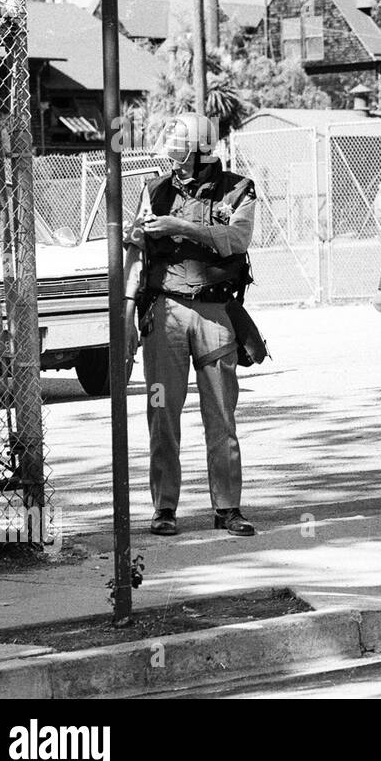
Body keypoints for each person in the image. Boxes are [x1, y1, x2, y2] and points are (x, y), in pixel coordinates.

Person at [123, 113, 258, 537]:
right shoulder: (153, 190)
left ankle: (228, 508)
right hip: (164, 314)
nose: (174, 159)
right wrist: (126, 315)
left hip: (216, 313)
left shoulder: (238, 188)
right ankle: (164, 508)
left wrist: (179, 227)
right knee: (162, 412)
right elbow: (136, 254)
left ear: (201, 150)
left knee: (221, 415)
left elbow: (237, 239)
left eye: (181, 149)